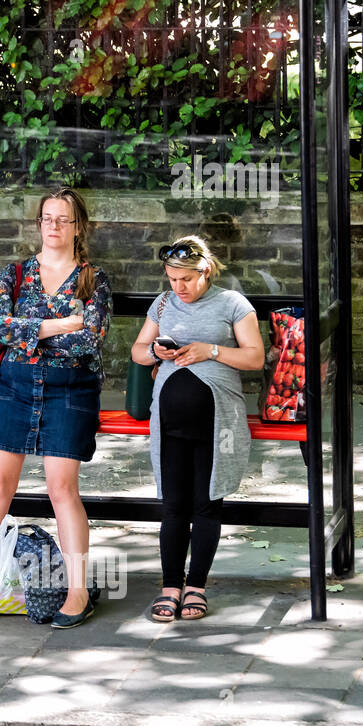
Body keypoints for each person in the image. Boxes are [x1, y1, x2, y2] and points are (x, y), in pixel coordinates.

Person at [0, 187, 112, 629]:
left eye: (64, 219)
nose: (54, 226)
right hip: (11, 388)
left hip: (71, 389)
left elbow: (89, 339)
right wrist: (58, 324)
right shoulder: (15, 273)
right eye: (47, 218)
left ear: (79, 226)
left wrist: (28, 333)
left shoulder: (93, 278)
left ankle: (77, 592)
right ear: (38, 223)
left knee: (62, 490)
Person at [130, 236, 263, 622]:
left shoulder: (232, 304)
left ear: (205, 271)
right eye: (172, 279)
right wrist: (157, 351)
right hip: (169, 422)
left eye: (186, 279)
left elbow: (254, 357)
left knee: (206, 505)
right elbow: (138, 350)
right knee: (172, 506)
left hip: (217, 421)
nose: (179, 287)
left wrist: (212, 350)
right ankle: (170, 585)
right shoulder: (163, 303)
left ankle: (196, 587)